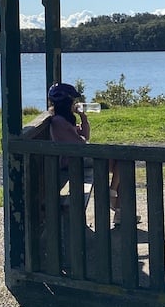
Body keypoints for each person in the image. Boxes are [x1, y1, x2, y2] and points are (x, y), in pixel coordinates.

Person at [47, 82, 132, 227]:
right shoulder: (59, 122)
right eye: (73, 101)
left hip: (79, 158)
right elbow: (80, 144)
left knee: (121, 163)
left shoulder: (65, 119)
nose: (75, 104)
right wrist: (80, 136)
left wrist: (83, 117)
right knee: (122, 162)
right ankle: (114, 200)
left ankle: (117, 205)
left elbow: (86, 135)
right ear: (65, 102)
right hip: (73, 161)